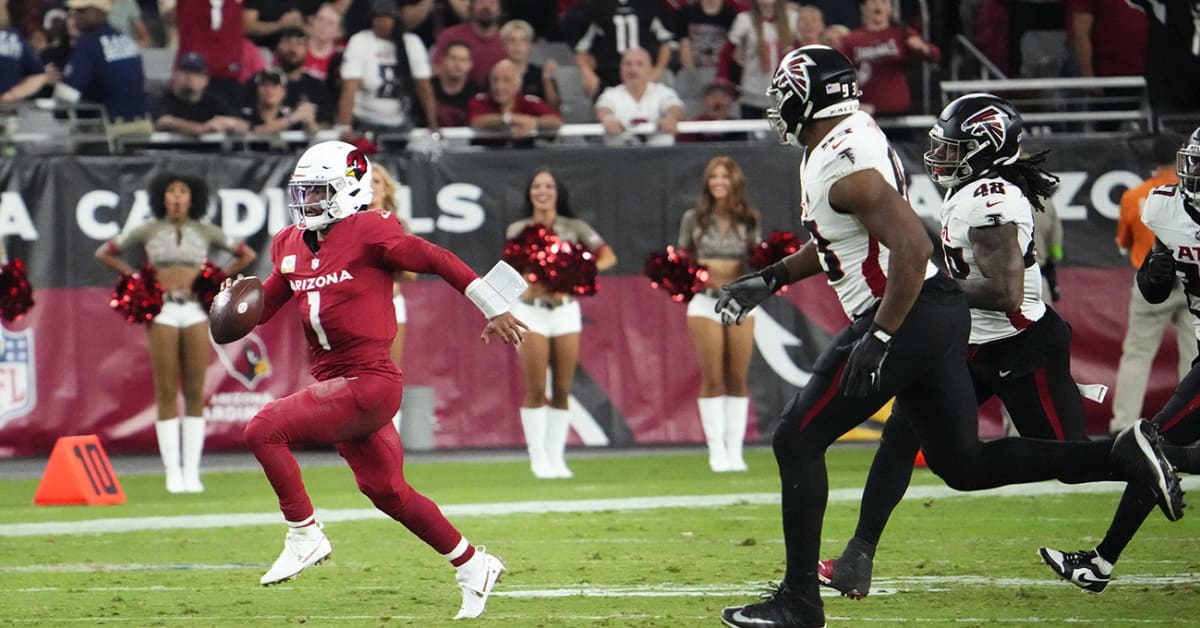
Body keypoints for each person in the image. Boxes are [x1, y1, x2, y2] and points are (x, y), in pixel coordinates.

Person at [715, 46, 1183, 628]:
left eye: (784, 94)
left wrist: (881, 335)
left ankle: (799, 602)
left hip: (911, 314)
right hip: (935, 316)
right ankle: (1121, 456)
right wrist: (773, 277)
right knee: (959, 463)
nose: (776, 108)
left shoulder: (843, 162)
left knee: (796, 439)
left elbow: (912, 247)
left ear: (813, 97)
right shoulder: (846, 138)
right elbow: (843, 237)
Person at [814, 93, 1090, 601]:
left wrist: (931, 283)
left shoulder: (991, 198)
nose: (940, 155)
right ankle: (857, 558)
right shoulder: (971, 189)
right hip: (971, 344)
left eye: (954, 146)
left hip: (1020, 346)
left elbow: (1003, 291)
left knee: (1074, 462)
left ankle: (1162, 451)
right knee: (900, 436)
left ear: (986, 149)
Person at [239, 141, 525, 618]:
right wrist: (230, 305)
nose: (307, 203)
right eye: (303, 193)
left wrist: (494, 305)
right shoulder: (289, 242)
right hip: (338, 380)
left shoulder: (370, 228)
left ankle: (304, 533)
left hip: (370, 379)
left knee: (263, 428)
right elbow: (263, 309)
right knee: (387, 491)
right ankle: (474, 564)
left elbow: (436, 257)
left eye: (318, 192)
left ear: (350, 189)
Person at [1039, 127, 1200, 594]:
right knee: (1152, 451)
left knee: (1150, 448)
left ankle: (1101, 562)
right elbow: (1153, 289)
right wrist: (1156, 271)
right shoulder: (1164, 207)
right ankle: (1100, 563)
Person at [95, 172, 256, 494]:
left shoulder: (205, 230)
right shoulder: (148, 229)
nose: (178, 197)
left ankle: (192, 470)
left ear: (192, 197)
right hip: (163, 309)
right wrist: (135, 278)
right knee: (166, 387)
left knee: (195, 389)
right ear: (162, 198)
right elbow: (105, 252)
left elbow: (246, 254)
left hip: (195, 309)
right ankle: (172, 471)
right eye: (171, 192)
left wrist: (216, 278)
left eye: (183, 191)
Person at [506, 168, 616, 479]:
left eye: (549, 186)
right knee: (537, 386)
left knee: (564, 387)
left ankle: (557, 457)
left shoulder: (574, 227)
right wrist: (525, 281)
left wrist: (578, 271)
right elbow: (510, 268)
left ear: (557, 193)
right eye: (537, 186)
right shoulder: (519, 229)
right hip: (530, 309)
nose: (543, 191)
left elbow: (607, 256)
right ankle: (538, 458)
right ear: (530, 193)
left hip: (565, 309)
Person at [677, 156, 760, 472]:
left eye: (725, 177)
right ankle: (717, 451)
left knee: (738, 378)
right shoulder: (693, 218)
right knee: (712, 377)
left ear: (734, 182)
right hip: (704, 301)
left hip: (739, 302)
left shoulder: (749, 219)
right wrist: (699, 276)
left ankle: (735, 451)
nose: (719, 182)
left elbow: (757, 260)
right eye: (713, 177)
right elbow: (681, 259)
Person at [1110, 132, 1196, 435]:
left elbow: (1124, 242)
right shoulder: (1170, 200)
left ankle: (1122, 424)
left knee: (1137, 355)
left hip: (1164, 282)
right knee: (1191, 356)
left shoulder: (1134, 196)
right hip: (1180, 280)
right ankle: (1187, 425)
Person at [336, 0, 439, 138]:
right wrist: (345, 127)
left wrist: (433, 125)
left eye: (387, 17)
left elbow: (424, 87)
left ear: (396, 19)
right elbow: (349, 88)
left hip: (401, 121)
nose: (382, 22)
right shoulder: (360, 41)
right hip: (364, 121)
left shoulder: (411, 42)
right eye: (378, 17)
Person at [367, 162, 416, 434]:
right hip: (356, 307)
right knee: (357, 374)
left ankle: (389, 436)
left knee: (390, 373)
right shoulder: (347, 223)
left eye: (376, 182)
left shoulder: (398, 224)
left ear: (386, 190)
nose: (371, 188)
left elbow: (411, 274)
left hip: (391, 303)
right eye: (366, 183)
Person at [53, 0, 152, 133]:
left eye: (82, 11)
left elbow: (67, 95)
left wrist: (59, 113)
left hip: (111, 130)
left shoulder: (89, 43)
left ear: (98, 12)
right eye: (74, 11)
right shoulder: (125, 39)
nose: (75, 15)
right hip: (143, 126)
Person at [838, 0, 939, 117]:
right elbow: (840, 70)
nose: (878, 6)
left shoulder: (901, 33)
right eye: (873, 2)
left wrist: (922, 48)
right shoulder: (851, 40)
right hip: (866, 110)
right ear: (863, 7)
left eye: (884, 2)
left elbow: (935, 55)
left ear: (891, 8)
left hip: (898, 110)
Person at [572, 0, 675, 97]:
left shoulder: (651, 4)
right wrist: (587, 72)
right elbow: (581, 49)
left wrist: (658, 69)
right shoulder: (594, 6)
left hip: (644, 74)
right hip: (608, 75)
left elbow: (665, 42)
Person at [723, 0, 800, 120]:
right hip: (752, 92)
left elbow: (803, 48)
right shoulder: (744, 19)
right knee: (752, 135)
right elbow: (726, 55)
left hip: (785, 92)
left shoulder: (792, 18)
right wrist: (726, 82)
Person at [594, 46, 686, 146]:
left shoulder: (663, 92)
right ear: (621, 68)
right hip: (620, 158)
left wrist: (671, 117)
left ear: (650, 69)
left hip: (660, 158)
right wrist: (608, 118)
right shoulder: (610, 94)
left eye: (639, 64)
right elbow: (603, 108)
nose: (633, 69)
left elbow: (675, 107)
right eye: (628, 64)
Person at [468, 58, 562, 148]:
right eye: (495, 80)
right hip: (483, 161)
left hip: (523, 160)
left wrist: (534, 122)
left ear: (518, 85)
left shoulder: (529, 101)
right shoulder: (479, 100)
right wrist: (509, 118)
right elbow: (476, 122)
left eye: (506, 80)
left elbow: (556, 120)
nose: (499, 87)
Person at [153, 52, 249, 136]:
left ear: (205, 80)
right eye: (185, 72)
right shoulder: (163, 99)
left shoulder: (212, 101)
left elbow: (243, 125)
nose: (190, 77)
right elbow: (163, 122)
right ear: (174, 75)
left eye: (196, 73)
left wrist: (226, 123)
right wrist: (202, 128)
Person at [433, 0, 506, 87]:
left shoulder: (508, 41)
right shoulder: (450, 36)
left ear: (499, 9)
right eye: (480, 2)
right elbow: (436, 70)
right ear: (471, 7)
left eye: (492, 2)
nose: (486, 6)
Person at [499, 19, 561, 111]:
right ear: (504, 45)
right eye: (512, 41)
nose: (517, 46)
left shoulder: (541, 73)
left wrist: (547, 81)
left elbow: (554, 108)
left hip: (538, 122)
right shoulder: (496, 73)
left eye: (523, 41)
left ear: (530, 45)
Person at [433, 39, 480, 128]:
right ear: (443, 60)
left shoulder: (476, 91)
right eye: (453, 58)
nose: (457, 64)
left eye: (463, 60)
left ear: (470, 64)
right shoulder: (429, 88)